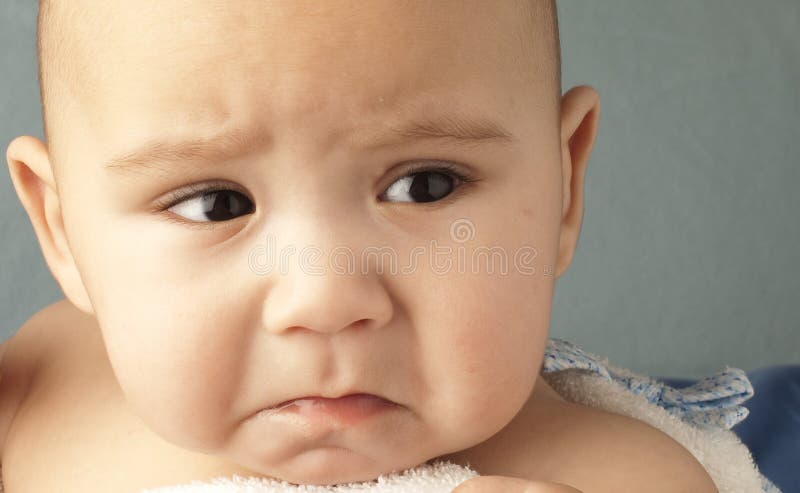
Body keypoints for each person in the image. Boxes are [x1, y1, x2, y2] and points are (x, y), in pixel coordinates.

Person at [1, 1, 721, 491]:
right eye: (214, 203)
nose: (324, 296)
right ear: (61, 229)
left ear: (563, 186)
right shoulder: (43, 384)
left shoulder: (618, 473)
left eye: (426, 185)